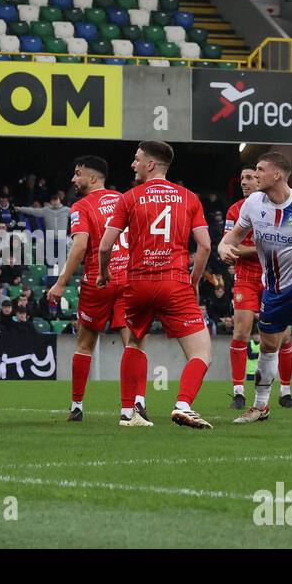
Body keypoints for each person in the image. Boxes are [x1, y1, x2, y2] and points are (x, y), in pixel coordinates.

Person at [97, 141, 213, 429]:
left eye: (137, 160)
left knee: (134, 342)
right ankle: (183, 405)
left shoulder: (129, 197)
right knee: (201, 353)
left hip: (137, 283)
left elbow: (105, 246)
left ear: (150, 164)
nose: (133, 165)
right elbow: (205, 246)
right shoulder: (189, 198)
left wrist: (103, 273)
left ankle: (127, 413)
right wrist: (194, 280)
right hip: (174, 283)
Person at [219, 152, 292, 423]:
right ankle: (261, 406)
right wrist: (223, 246)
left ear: (277, 176)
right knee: (268, 347)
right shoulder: (252, 204)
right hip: (273, 287)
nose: (254, 175)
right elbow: (233, 237)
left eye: (260, 170)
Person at [47, 155, 134, 423]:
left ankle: (76, 406)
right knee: (131, 345)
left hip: (98, 282)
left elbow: (81, 246)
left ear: (92, 178)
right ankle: (134, 407)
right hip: (128, 279)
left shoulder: (81, 206)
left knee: (84, 345)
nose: (73, 179)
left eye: (77, 174)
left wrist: (61, 282)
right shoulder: (124, 200)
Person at [224, 164, 292, 410]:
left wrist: (250, 250)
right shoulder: (235, 210)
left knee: (283, 337)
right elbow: (231, 247)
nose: (244, 181)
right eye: (242, 177)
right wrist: (256, 250)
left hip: (275, 278)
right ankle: (238, 392)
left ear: (261, 181)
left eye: (251, 178)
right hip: (246, 278)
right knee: (241, 332)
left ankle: (285, 392)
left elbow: (283, 247)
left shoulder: (279, 207)